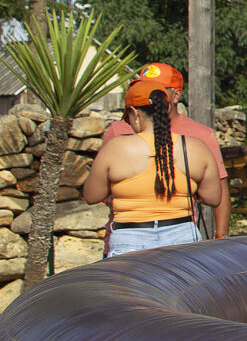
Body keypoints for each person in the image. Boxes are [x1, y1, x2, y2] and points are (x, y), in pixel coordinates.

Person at [84, 74, 224, 255]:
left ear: (135, 114)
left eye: (126, 118)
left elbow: (91, 195)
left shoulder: (115, 148)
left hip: (130, 238)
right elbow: (213, 198)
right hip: (182, 237)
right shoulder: (195, 147)